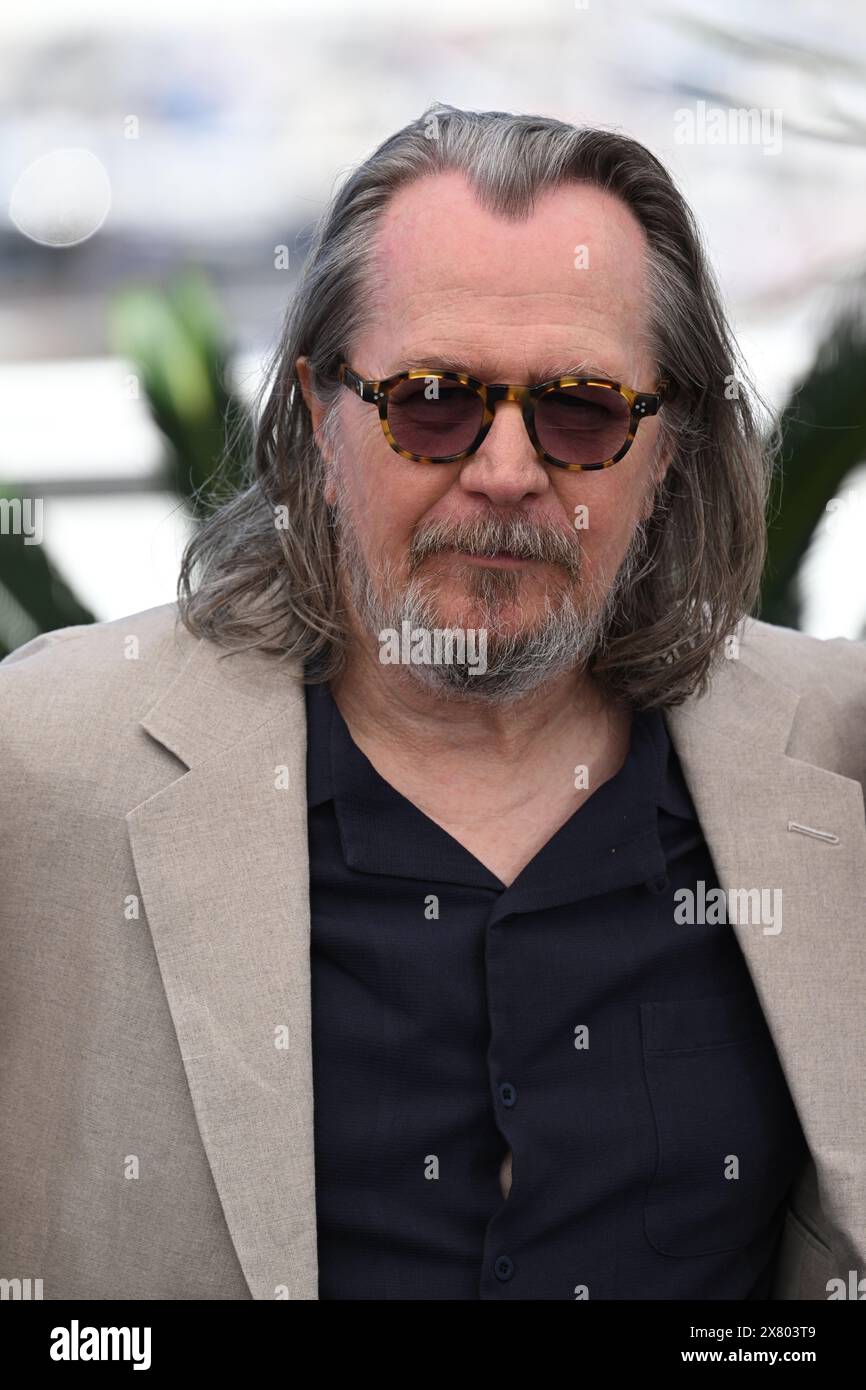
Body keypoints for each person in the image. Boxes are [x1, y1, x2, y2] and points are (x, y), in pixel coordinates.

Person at [2, 104, 865, 1301]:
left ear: (665, 450)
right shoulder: (42, 770)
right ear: (317, 416)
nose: (505, 471)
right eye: (431, 401)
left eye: (579, 411)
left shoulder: (834, 755)